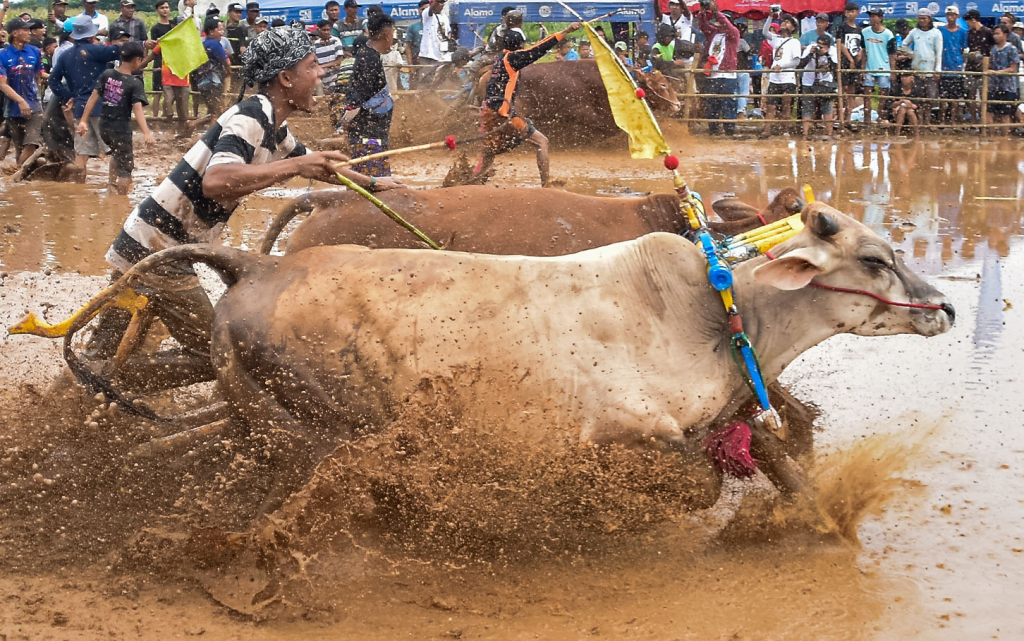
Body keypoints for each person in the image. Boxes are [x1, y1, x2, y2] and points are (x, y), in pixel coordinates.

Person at [88, 26, 400, 389]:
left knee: (101, 350)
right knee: (222, 355)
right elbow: (217, 181)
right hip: (159, 250)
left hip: (148, 241)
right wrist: (295, 168)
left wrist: (376, 185)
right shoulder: (250, 117)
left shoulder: (272, 124)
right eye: (313, 66)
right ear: (286, 77)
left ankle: (82, 395)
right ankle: (112, 384)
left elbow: (315, 162)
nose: (321, 74)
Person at [474, 23, 580, 187]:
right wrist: (565, 31)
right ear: (520, 45)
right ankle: (546, 184)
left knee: (489, 152)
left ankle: (471, 182)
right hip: (502, 114)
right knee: (542, 142)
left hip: (488, 112)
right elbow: (538, 49)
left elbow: (535, 48)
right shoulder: (513, 59)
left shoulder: (501, 57)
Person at [46, 14, 120, 180]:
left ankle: (75, 190)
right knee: (116, 148)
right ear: (92, 35)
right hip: (102, 106)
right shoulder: (96, 50)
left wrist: (68, 96)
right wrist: (144, 44)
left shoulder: (66, 56)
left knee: (81, 154)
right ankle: (112, 186)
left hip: (80, 108)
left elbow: (53, 81)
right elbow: (122, 51)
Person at [76, 41, 154, 193]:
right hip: (121, 131)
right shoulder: (134, 82)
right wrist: (146, 132)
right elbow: (137, 109)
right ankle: (120, 202)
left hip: (104, 127)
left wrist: (83, 121)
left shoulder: (108, 74)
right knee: (125, 169)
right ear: (137, 60)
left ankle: (111, 186)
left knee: (116, 153)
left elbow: (92, 98)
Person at [341, 12, 395, 177]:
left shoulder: (369, 54)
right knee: (369, 176)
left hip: (373, 128)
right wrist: (345, 120)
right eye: (392, 35)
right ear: (386, 35)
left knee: (372, 172)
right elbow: (358, 95)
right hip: (368, 130)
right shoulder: (368, 59)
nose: (393, 39)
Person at [0, 18, 44, 168]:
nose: (29, 33)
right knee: (19, 149)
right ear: (15, 33)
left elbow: (38, 77)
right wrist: (20, 101)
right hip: (12, 108)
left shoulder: (35, 51)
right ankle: (20, 180)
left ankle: (16, 179)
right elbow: (2, 84)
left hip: (34, 107)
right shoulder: (2, 55)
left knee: (31, 144)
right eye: (25, 30)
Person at [697, 1, 740, 135]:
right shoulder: (713, 33)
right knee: (712, 103)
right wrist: (703, 13)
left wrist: (715, 12)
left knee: (728, 104)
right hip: (713, 74)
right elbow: (703, 26)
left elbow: (727, 25)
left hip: (727, 75)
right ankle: (713, 130)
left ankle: (729, 130)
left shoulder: (733, 33)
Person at [762, 10, 801, 135]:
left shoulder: (795, 42)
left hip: (788, 78)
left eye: (788, 22)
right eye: (783, 21)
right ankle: (766, 131)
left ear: (793, 27)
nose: (784, 24)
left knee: (786, 105)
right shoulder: (776, 39)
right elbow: (764, 32)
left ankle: (785, 130)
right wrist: (770, 16)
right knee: (771, 105)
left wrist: (782, 66)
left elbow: (796, 62)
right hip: (774, 78)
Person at [903, 8, 943, 127]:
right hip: (917, 69)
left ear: (929, 19)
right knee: (918, 97)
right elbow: (904, 45)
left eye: (924, 18)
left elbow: (938, 53)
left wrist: (937, 70)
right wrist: (911, 54)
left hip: (930, 69)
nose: (921, 20)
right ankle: (919, 121)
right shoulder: (914, 32)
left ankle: (927, 121)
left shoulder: (936, 33)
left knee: (930, 97)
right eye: (920, 18)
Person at [797, 33, 837, 137]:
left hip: (825, 82)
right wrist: (811, 54)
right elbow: (801, 64)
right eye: (818, 44)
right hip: (808, 81)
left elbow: (835, 68)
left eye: (822, 46)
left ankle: (829, 133)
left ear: (828, 47)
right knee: (807, 107)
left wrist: (826, 55)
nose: (819, 47)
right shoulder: (811, 48)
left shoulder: (832, 51)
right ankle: (805, 134)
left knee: (827, 107)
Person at [861, 8, 894, 128]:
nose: (872, 19)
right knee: (867, 94)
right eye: (871, 16)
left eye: (875, 16)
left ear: (880, 18)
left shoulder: (888, 34)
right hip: (869, 67)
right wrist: (863, 69)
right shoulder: (865, 32)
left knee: (882, 96)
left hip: (884, 67)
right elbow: (864, 51)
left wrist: (893, 71)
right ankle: (867, 119)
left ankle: (880, 117)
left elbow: (892, 54)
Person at [835, 1, 864, 127]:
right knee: (843, 89)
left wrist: (859, 55)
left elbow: (862, 46)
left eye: (852, 11)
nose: (850, 14)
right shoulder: (842, 27)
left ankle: (848, 117)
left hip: (856, 62)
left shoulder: (858, 29)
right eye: (848, 12)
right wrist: (850, 59)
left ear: (857, 13)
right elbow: (840, 44)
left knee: (852, 90)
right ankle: (841, 117)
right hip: (845, 62)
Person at [987, 24, 1020, 136]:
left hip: (1007, 86)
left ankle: (1004, 138)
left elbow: (1013, 68)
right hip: (993, 85)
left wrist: (997, 72)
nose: (995, 36)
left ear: (1005, 34)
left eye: (998, 33)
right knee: (990, 111)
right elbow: (990, 64)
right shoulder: (993, 50)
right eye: (994, 34)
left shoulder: (1012, 49)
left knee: (1005, 114)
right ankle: (991, 136)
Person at [193, 17, 229, 116]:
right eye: (219, 29)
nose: (222, 33)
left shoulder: (203, 44)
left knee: (214, 111)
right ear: (211, 31)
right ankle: (194, 125)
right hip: (214, 82)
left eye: (223, 29)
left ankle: (194, 124)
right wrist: (228, 73)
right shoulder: (216, 45)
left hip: (202, 82)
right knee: (216, 113)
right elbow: (226, 62)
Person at [939, 5, 968, 124]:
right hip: (943, 67)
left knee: (955, 98)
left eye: (953, 15)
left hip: (956, 68)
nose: (950, 17)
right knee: (943, 98)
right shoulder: (940, 30)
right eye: (948, 15)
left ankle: (953, 121)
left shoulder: (962, 32)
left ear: (957, 16)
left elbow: (963, 49)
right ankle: (942, 120)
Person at [149, 0, 174, 119]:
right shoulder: (155, 28)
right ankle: (154, 117)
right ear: (157, 11)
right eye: (162, 7)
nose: (165, 9)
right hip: (159, 60)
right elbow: (154, 47)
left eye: (167, 7)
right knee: (157, 92)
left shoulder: (174, 27)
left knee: (171, 92)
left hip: (173, 61)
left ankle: (167, 115)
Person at [418, 0, 451, 69]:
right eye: (439, 3)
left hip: (442, 56)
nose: (441, 5)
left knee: (441, 78)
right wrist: (436, 2)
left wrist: (447, 39)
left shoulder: (445, 17)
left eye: (442, 3)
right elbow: (432, 8)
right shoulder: (427, 14)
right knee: (427, 78)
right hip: (428, 56)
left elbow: (448, 31)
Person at [662, 0, 695, 69]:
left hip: (685, 56)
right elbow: (657, 12)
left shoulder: (686, 18)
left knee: (687, 78)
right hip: (671, 57)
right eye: (672, 5)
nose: (674, 7)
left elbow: (686, 11)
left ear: (681, 7)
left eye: (677, 5)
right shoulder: (665, 19)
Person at [315, 19, 343, 94]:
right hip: (323, 81)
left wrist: (322, 66)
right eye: (324, 30)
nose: (327, 32)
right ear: (318, 30)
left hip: (335, 79)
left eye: (328, 30)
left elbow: (339, 61)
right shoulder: (315, 45)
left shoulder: (335, 41)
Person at [891, 71, 920, 136]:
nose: (904, 78)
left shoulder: (916, 89)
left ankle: (915, 133)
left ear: (912, 78)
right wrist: (901, 102)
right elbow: (891, 104)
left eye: (906, 76)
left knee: (909, 111)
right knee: (902, 110)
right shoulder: (897, 88)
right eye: (902, 76)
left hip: (912, 110)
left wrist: (907, 104)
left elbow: (917, 105)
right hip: (898, 111)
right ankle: (915, 133)